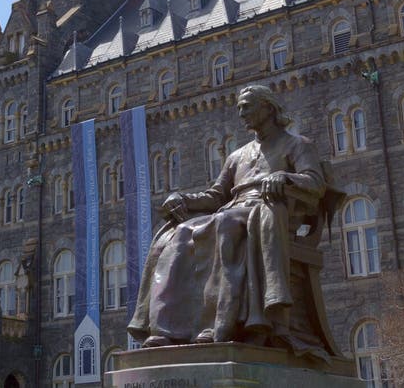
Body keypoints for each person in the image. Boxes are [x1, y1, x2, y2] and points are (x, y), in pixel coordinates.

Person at [128, 84, 326, 348]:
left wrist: (285, 177)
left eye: (246, 107)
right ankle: (165, 327)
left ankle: (217, 324)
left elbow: (315, 182)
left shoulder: (297, 145)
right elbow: (216, 196)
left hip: (268, 210)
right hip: (232, 210)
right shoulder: (237, 155)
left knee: (225, 223)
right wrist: (182, 198)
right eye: (239, 109)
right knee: (180, 231)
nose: (241, 114)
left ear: (267, 107)